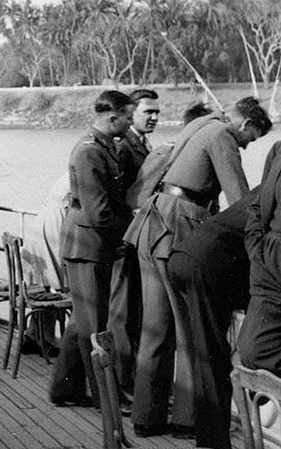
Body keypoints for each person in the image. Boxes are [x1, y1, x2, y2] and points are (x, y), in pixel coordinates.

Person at [128, 96, 270, 438]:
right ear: (245, 125)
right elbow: (242, 200)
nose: (247, 147)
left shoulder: (199, 124)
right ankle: (189, 420)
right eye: (250, 140)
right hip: (179, 224)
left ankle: (147, 417)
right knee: (192, 330)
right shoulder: (223, 135)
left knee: (155, 328)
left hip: (153, 220)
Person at [49, 90, 135, 408]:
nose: (130, 123)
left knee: (83, 322)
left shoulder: (103, 147)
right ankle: (105, 397)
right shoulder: (89, 152)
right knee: (95, 326)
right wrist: (128, 236)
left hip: (92, 244)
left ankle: (63, 389)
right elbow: (99, 212)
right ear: (112, 117)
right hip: (87, 246)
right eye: (128, 117)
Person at [168, 186, 257, 449]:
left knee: (208, 352)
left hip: (189, 257)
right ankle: (214, 441)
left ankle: (211, 436)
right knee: (212, 355)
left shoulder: (268, 188)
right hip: (208, 266)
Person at [108, 88, 159, 396]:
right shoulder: (124, 148)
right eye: (147, 112)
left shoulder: (142, 144)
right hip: (127, 237)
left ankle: (128, 378)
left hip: (138, 236)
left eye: (156, 112)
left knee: (132, 311)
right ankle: (120, 383)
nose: (153, 117)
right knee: (123, 312)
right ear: (131, 115)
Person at [240, 137, 281, 380]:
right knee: (254, 349)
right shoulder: (280, 149)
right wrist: (256, 250)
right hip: (271, 263)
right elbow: (258, 207)